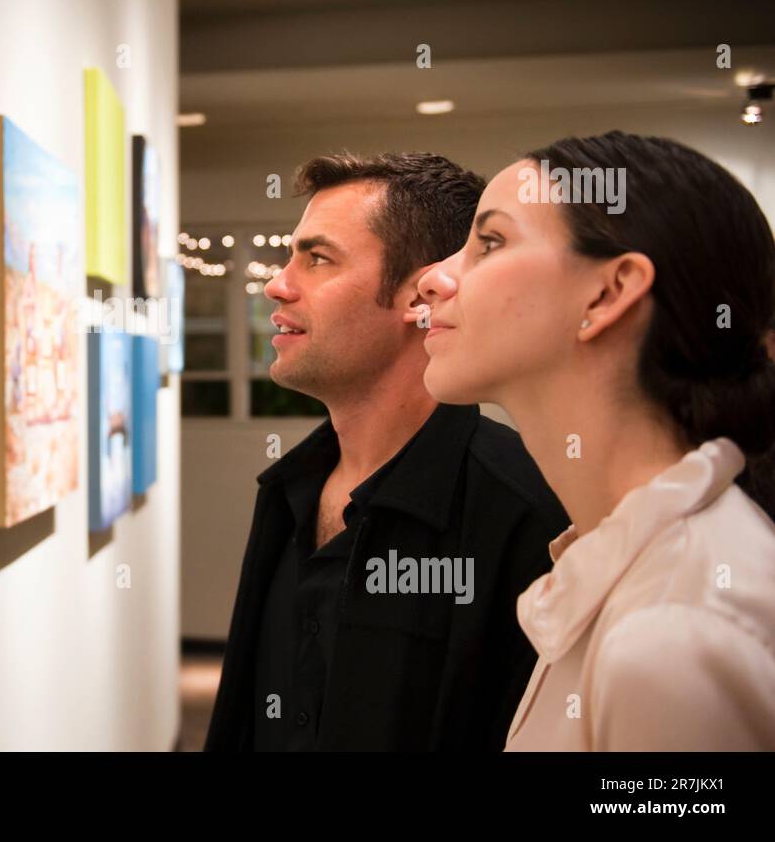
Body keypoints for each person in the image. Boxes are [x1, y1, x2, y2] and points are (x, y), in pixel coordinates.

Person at [413, 130, 775, 750]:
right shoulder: (631, 566)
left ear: (608, 293)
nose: (432, 279)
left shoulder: (670, 639)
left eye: (490, 241)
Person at [205, 153, 569, 751]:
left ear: (418, 292)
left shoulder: (526, 514)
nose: (277, 283)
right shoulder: (288, 491)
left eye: (317, 259)